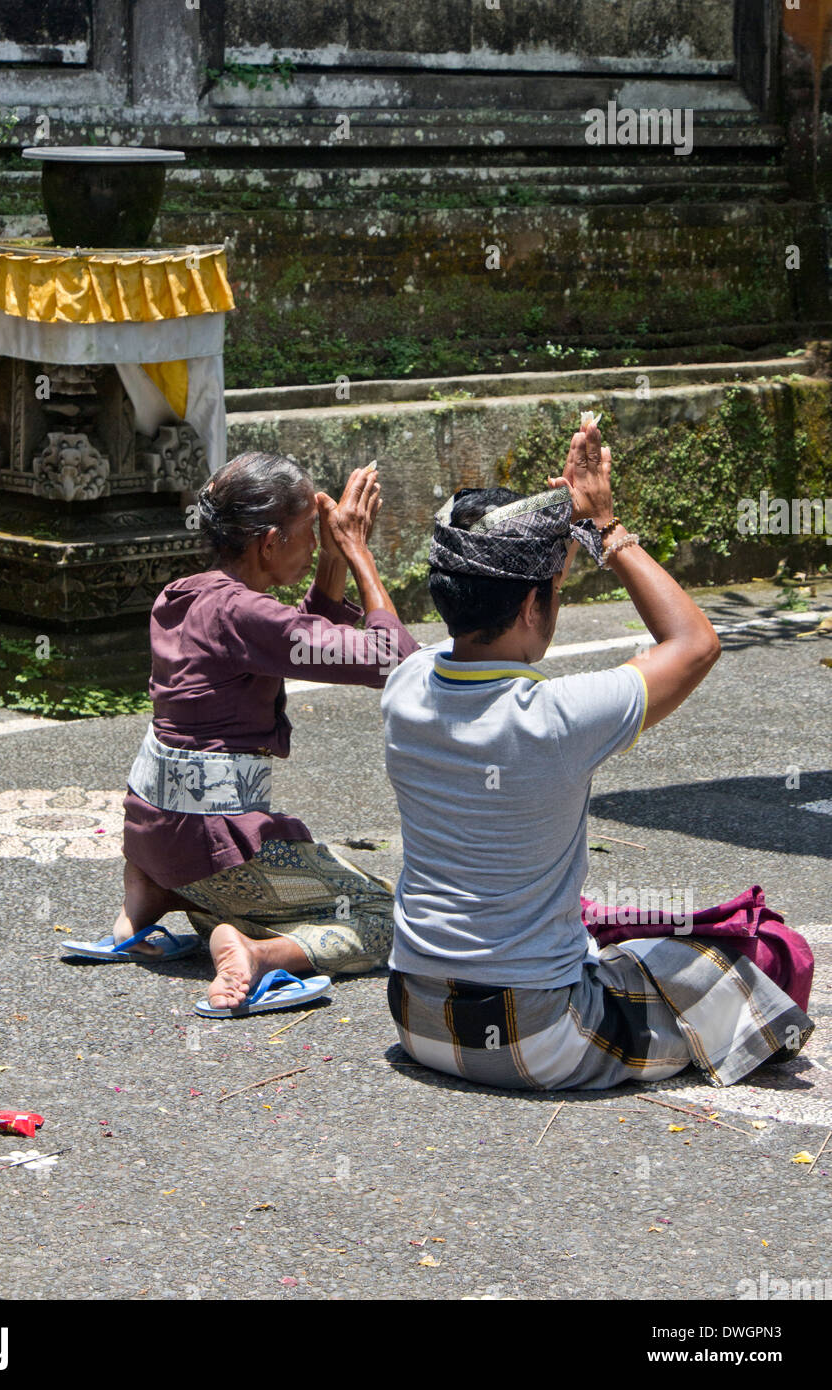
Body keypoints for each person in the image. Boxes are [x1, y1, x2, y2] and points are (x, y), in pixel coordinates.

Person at [381, 423, 813, 1089]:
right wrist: (605, 526)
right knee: (764, 961)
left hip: (416, 1017)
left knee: (615, 936)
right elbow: (693, 642)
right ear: (532, 604)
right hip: (536, 1036)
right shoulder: (557, 718)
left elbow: (475, 606)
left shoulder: (406, 687)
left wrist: (559, 536)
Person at [95, 452, 418, 1010]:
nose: (317, 544)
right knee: (395, 919)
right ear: (269, 542)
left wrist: (332, 555)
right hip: (215, 848)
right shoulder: (246, 616)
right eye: (308, 535)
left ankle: (149, 898)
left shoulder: (184, 596)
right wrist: (359, 554)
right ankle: (258, 951)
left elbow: (304, 636)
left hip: (155, 839)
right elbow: (394, 659)